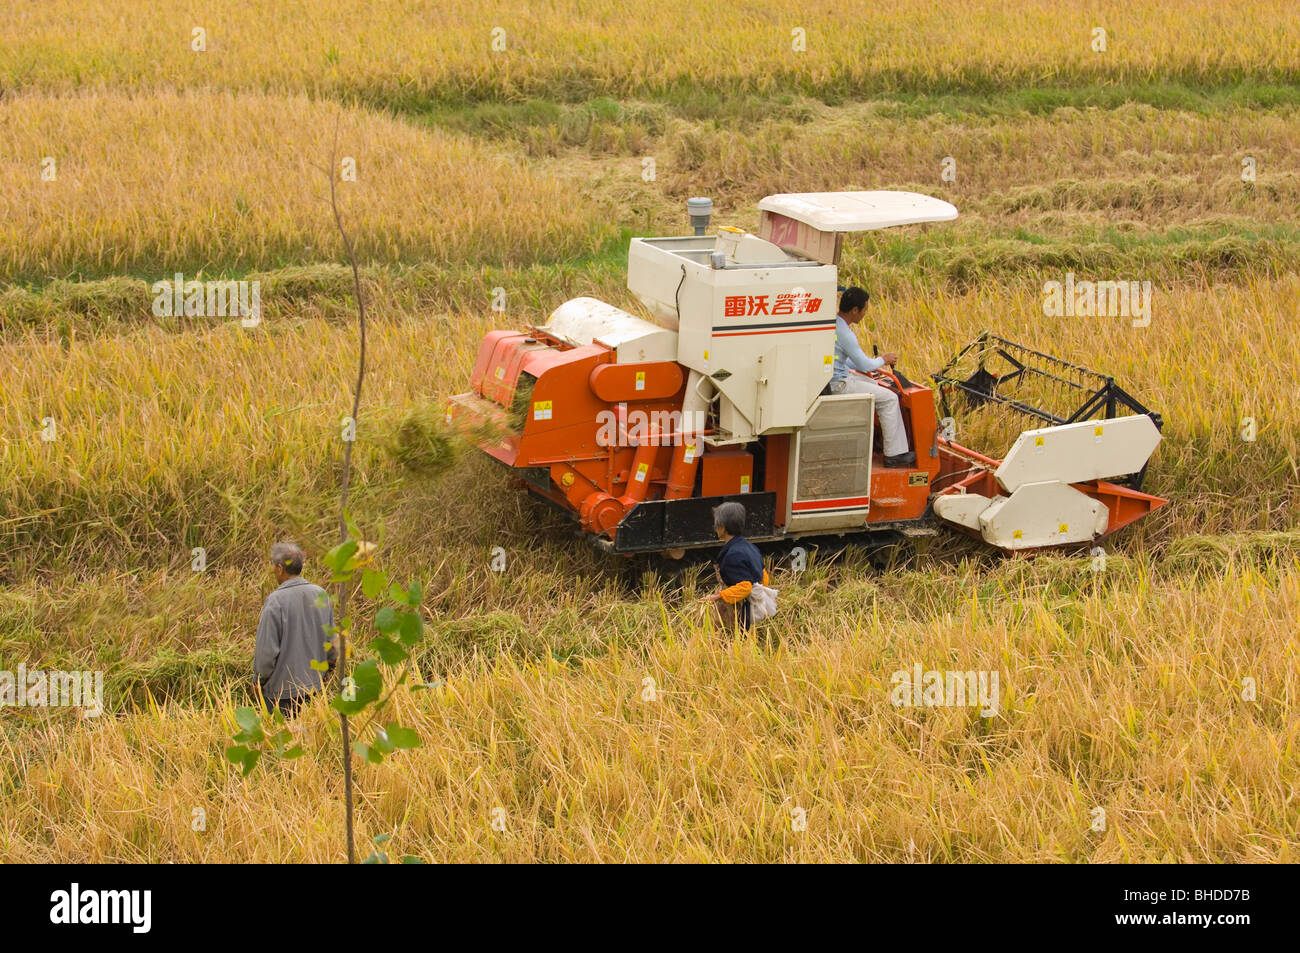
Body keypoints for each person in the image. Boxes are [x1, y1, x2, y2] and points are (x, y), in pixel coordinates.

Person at [829, 287, 916, 467]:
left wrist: (871, 364)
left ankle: (877, 440)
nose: (865, 314)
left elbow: (841, 359)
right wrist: (883, 360)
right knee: (890, 398)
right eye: (865, 309)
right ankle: (893, 455)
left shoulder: (833, 324)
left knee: (872, 384)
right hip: (839, 384)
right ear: (855, 310)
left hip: (833, 378)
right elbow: (864, 365)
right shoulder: (845, 334)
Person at [254, 541, 336, 718]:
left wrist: (258, 680)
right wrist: (326, 673)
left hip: (281, 694)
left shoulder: (275, 601)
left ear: (279, 568)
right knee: (310, 734)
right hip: (314, 688)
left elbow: (266, 653)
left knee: (281, 735)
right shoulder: (321, 594)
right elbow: (332, 644)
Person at [700, 501, 768, 631]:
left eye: (716, 524)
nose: (715, 528)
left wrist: (719, 596)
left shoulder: (733, 554)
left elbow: (745, 586)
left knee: (730, 638)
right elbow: (763, 577)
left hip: (736, 612)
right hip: (750, 610)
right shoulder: (750, 547)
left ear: (723, 527)